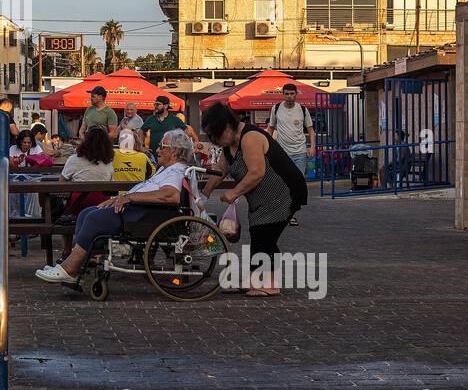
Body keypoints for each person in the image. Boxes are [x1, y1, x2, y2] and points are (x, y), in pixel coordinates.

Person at [35, 130, 196, 283]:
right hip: (140, 211)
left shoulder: (176, 171)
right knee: (87, 213)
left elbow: (171, 195)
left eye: (162, 146)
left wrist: (129, 197)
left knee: (93, 218)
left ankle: (70, 267)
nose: (157, 149)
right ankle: (78, 264)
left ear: (174, 152)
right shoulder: (166, 169)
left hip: (143, 216)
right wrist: (123, 198)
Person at [199, 101, 306, 296]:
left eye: (218, 134)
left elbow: (256, 172)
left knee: (265, 236)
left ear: (229, 126)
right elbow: (220, 170)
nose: (216, 140)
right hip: (262, 198)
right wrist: (203, 194)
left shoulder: (250, 137)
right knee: (258, 233)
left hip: (284, 193)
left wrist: (234, 192)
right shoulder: (228, 144)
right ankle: (254, 279)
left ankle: (270, 284)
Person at [266, 82, 316, 225]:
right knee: (283, 184)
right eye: (286, 94)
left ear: (296, 94)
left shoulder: (302, 109)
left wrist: (312, 147)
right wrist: (268, 147)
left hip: (300, 152)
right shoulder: (276, 109)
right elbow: (270, 129)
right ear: (283, 95)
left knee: (297, 185)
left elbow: (310, 130)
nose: (289, 97)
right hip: (282, 153)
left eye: (292, 94)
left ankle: (290, 214)